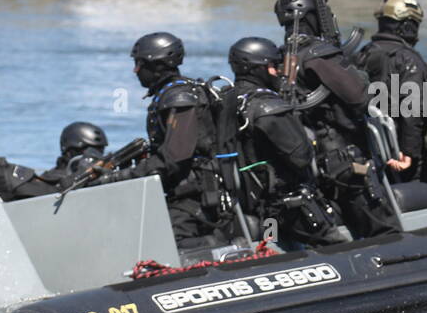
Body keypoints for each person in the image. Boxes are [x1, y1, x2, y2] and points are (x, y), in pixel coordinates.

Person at [274, 0, 400, 238]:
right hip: (345, 158)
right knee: (385, 231)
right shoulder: (318, 54)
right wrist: (350, 66)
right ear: (311, 16)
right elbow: (360, 96)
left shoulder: (283, 58)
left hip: (314, 163)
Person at [218, 38, 349, 248]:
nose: (277, 72)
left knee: (276, 245)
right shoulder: (268, 108)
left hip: (257, 209)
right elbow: (302, 158)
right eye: (272, 66)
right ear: (256, 69)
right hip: (291, 210)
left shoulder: (227, 99)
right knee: (337, 247)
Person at [96, 32, 222, 247]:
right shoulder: (170, 94)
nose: (135, 70)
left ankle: (222, 246)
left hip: (194, 197)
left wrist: (123, 177)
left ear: (157, 65)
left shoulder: (179, 98)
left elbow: (175, 156)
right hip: (180, 192)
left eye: (139, 64)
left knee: (165, 243)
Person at [354, 0, 427, 181]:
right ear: (406, 26)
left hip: (372, 150)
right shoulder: (408, 59)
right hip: (401, 156)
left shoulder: (362, 55)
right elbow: (413, 109)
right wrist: (409, 152)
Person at [38, 121, 108, 186]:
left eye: (99, 151)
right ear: (70, 152)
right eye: (89, 151)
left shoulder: (100, 174)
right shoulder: (51, 179)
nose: (95, 155)